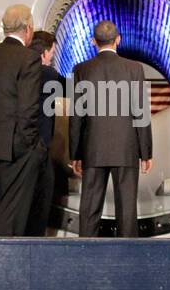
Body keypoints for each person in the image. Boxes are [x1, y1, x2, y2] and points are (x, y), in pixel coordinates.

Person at [69, 20, 152, 237]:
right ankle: (127, 260)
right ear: (118, 40)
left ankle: (85, 257)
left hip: (92, 149)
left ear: (93, 41)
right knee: (126, 210)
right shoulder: (134, 68)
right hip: (126, 148)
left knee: (89, 210)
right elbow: (140, 112)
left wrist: (75, 153)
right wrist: (146, 152)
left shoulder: (81, 70)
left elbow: (76, 116)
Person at [0, 4, 45, 237]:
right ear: (29, 29)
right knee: (14, 215)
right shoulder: (29, 59)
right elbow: (28, 107)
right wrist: (28, 143)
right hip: (17, 148)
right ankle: (6, 266)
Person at [25, 30, 62, 236]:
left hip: (21, 149)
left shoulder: (19, 71)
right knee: (41, 202)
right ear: (44, 53)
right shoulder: (48, 75)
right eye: (52, 54)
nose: (52, 58)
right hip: (40, 149)